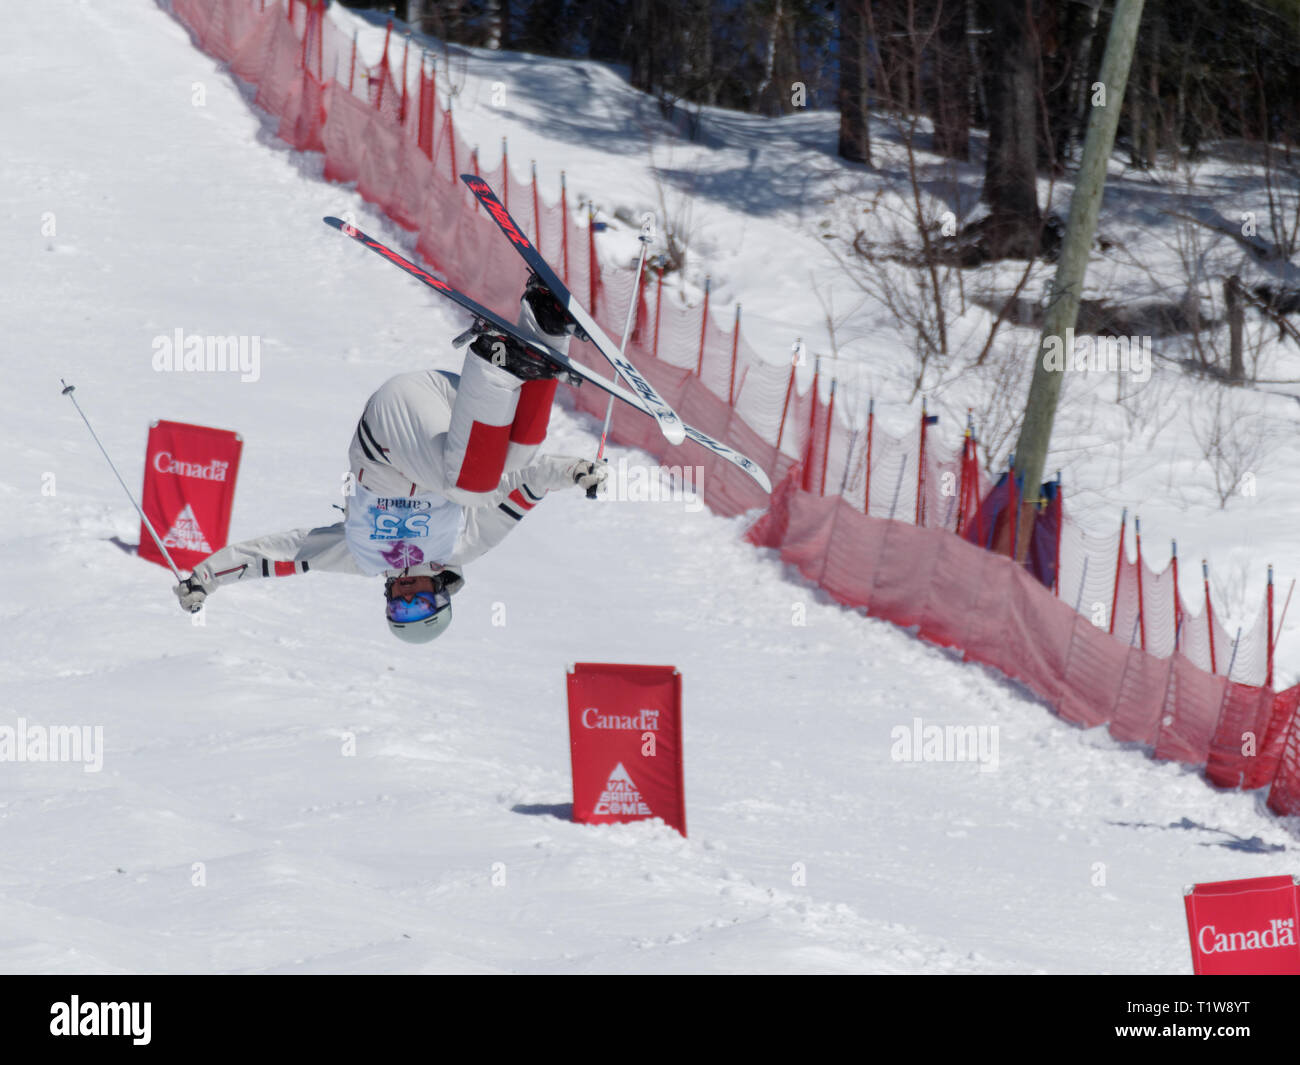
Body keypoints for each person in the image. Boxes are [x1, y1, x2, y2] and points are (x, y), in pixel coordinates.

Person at [173, 276, 608, 643]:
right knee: (511, 461)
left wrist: (204, 579)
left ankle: (498, 358)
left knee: (469, 486)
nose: (404, 599)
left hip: (385, 439)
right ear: (440, 594)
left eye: (397, 609)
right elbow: (526, 486)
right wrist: (577, 473)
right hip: (450, 405)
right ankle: (543, 322)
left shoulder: (363, 557)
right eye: (418, 605)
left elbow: (275, 556)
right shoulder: (463, 545)